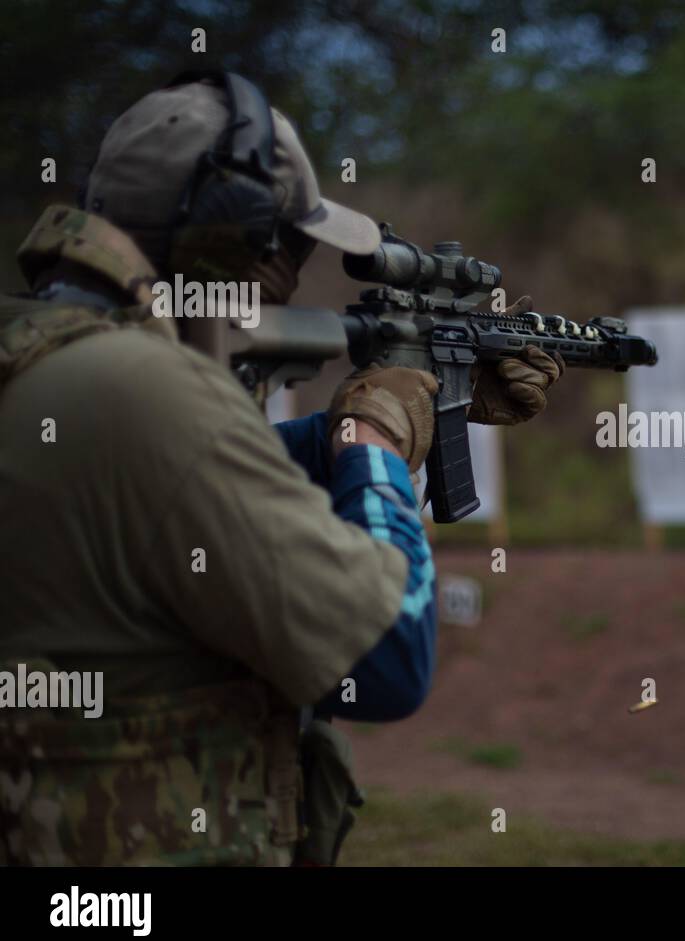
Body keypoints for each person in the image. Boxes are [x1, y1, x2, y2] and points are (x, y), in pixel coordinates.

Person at [0, 72, 564, 865]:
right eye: (290, 246)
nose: (292, 275)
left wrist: (407, 414)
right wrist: (371, 438)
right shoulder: (141, 389)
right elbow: (386, 659)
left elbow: (173, 488)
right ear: (228, 242)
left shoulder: (47, 363)